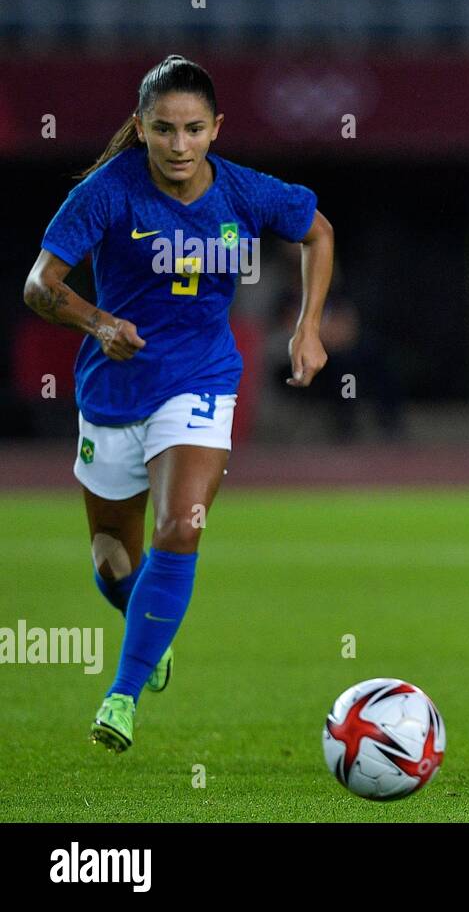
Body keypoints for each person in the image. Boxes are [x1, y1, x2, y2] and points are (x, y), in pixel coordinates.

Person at [22, 55, 334, 750]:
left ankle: (121, 697)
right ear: (141, 128)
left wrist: (307, 326)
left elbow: (318, 232)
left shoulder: (245, 193)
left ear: (216, 129)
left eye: (193, 129)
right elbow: (39, 285)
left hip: (201, 381)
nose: (179, 144)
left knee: (180, 527)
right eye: (163, 129)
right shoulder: (108, 192)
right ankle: (147, 633)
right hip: (111, 395)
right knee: (112, 564)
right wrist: (100, 323)